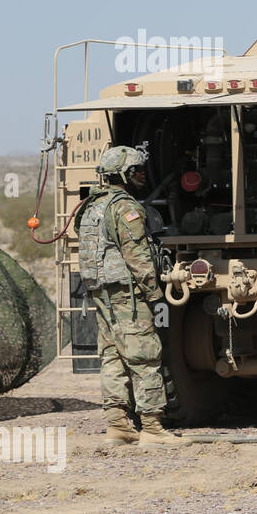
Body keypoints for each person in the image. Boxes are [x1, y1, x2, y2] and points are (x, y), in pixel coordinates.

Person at [76, 145, 184, 446]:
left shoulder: (91, 207)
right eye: (136, 171)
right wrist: (154, 293)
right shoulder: (126, 208)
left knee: (112, 357)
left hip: (102, 293)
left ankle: (118, 425)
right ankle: (151, 427)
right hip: (128, 295)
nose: (141, 176)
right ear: (124, 174)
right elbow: (137, 256)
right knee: (144, 355)